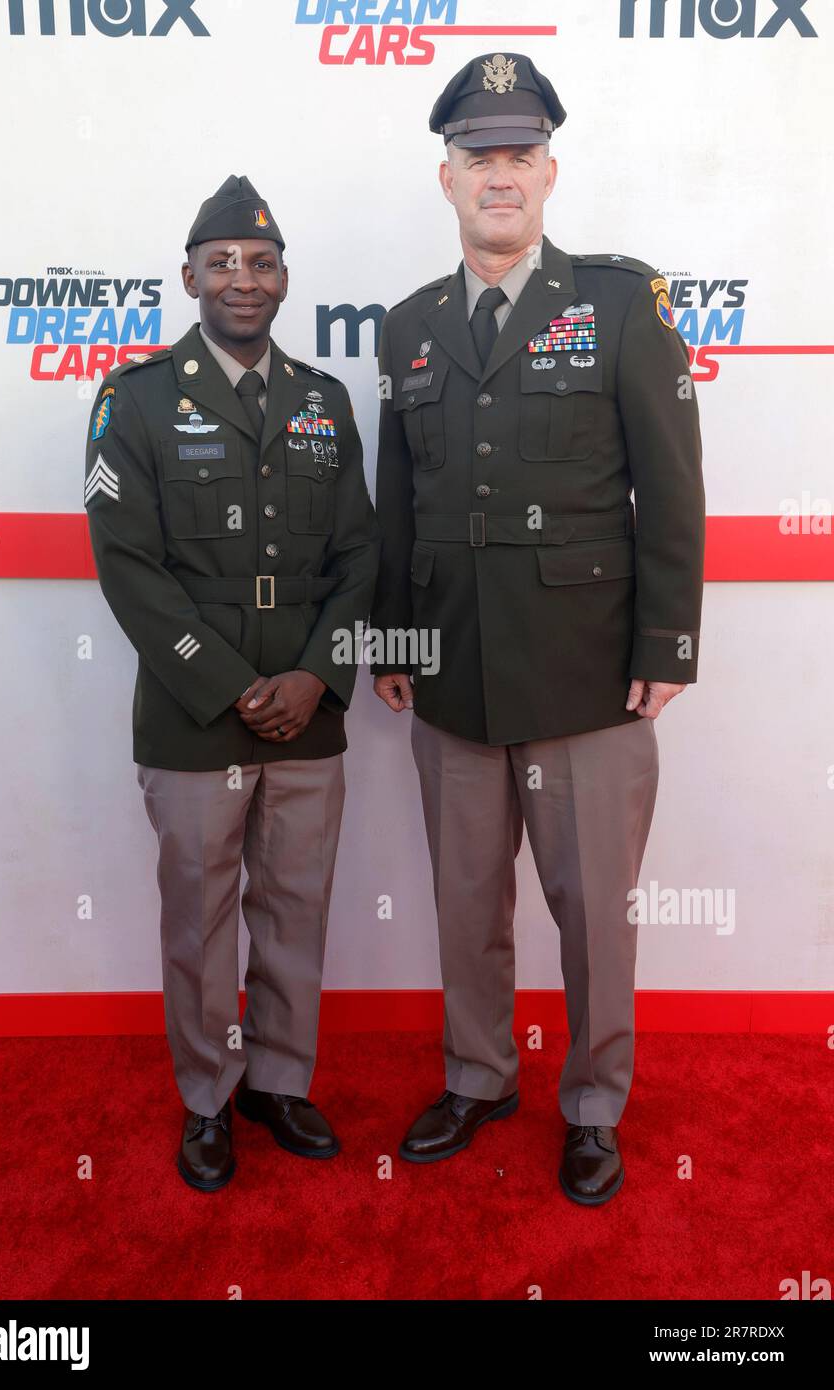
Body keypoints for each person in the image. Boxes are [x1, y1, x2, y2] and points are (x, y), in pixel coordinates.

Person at [370, 55, 705, 1204]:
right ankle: (477, 1076)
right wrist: (393, 641)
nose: (497, 176)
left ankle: (594, 1104)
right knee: (465, 903)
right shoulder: (408, 326)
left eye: (517, 156)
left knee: (591, 919)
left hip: (584, 682)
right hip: (451, 676)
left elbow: (669, 487)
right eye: (478, 158)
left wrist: (665, 644)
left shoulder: (617, 304)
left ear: (548, 173)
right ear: (445, 177)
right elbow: (399, 501)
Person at [84, 175, 380, 1191]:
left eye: (259, 263)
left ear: (284, 278)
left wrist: (315, 675)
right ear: (189, 278)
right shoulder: (137, 397)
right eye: (220, 264)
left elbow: (360, 556)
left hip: (307, 711)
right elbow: (128, 565)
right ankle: (209, 1095)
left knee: (295, 903)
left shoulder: (320, 400)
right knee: (200, 914)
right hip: (192, 714)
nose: (240, 281)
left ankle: (280, 1083)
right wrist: (226, 683)